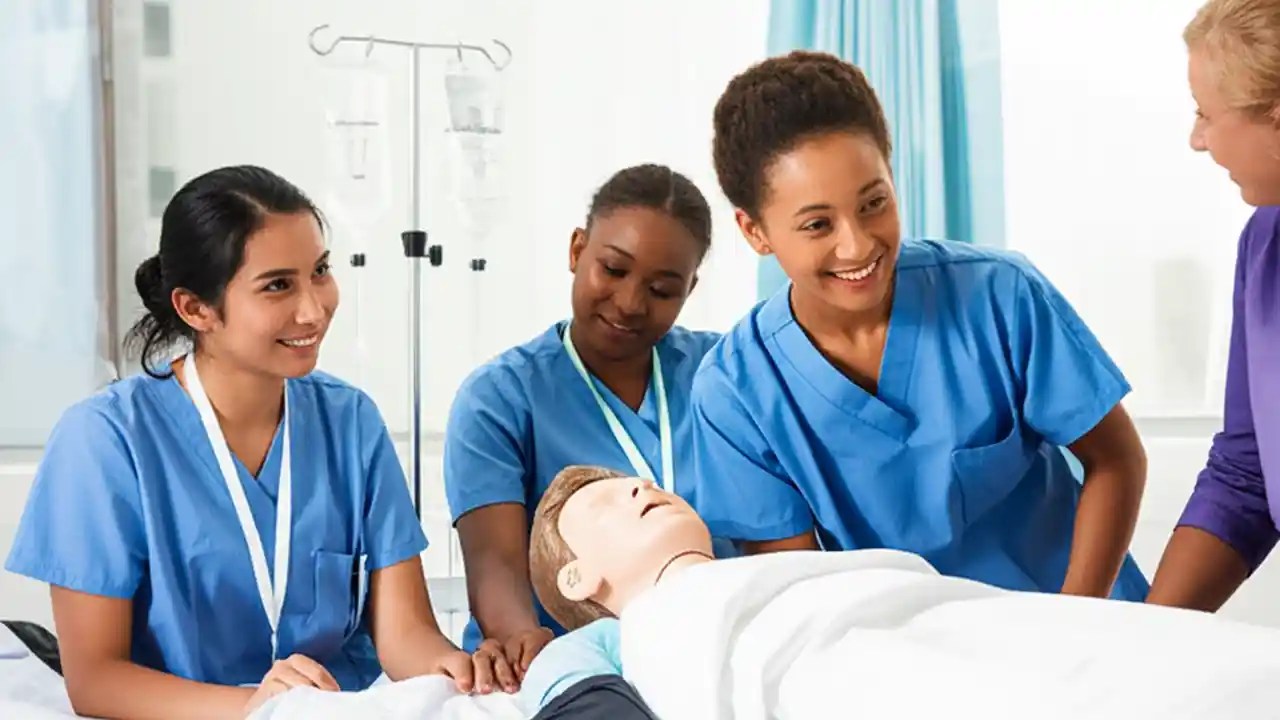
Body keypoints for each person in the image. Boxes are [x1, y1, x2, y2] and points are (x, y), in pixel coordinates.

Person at [4, 166, 484, 720]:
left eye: (320, 271)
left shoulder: (350, 421)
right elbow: (95, 681)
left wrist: (456, 671)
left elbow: (405, 635)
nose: (314, 309)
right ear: (195, 309)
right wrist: (259, 708)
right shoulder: (106, 441)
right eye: (278, 285)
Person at [687, 51, 1151, 601]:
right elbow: (803, 596)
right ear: (755, 231)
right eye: (817, 224)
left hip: (1083, 617)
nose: (857, 244)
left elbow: (1116, 459)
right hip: (902, 663)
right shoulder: (735, 393)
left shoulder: (999, 295)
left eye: (874, 203)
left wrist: (1077, 619)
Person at [522, 465, 1280, 720]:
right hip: (830, 671)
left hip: (932, 612)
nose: (642, 491)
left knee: (1136, 657)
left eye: (644, 481)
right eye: (609, 501)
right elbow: (567, 687)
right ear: (576, 578)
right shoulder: (633, 636)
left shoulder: (756, 574)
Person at [442, 163, 723, 685]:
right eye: (613, 270)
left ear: (690, 288)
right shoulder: (500, 399)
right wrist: (521, 641)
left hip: (711, 654)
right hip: (573, 665)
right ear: (577, 250)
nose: (630, 302)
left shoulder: (722, 375)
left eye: (662, 289)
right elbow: (496, 565)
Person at [1147, 0, 1280, 611]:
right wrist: (1142, 638)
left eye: (1206, 114)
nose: (1197, 140)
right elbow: (1247, 473)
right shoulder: (1264, 247)